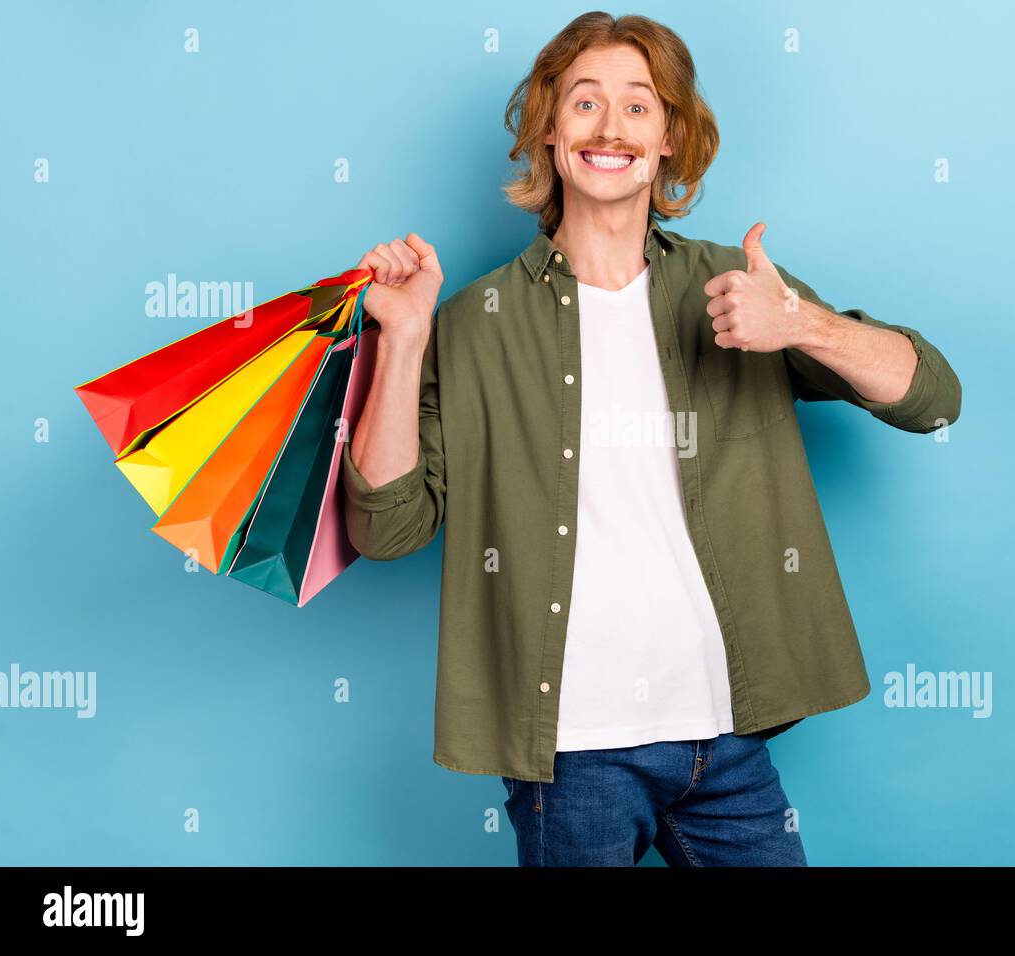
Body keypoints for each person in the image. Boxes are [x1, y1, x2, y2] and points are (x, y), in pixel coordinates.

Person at [343, 12, 962, 867]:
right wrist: (404, 341)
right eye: (584, 102)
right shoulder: (476, 324)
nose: (610, 127)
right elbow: (387, 527)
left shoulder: (736, 287)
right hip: (571, 752)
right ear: (550, 133)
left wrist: (804, 324)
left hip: (729, 739)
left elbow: (931, 399)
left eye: (639, 107)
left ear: (670, 138)